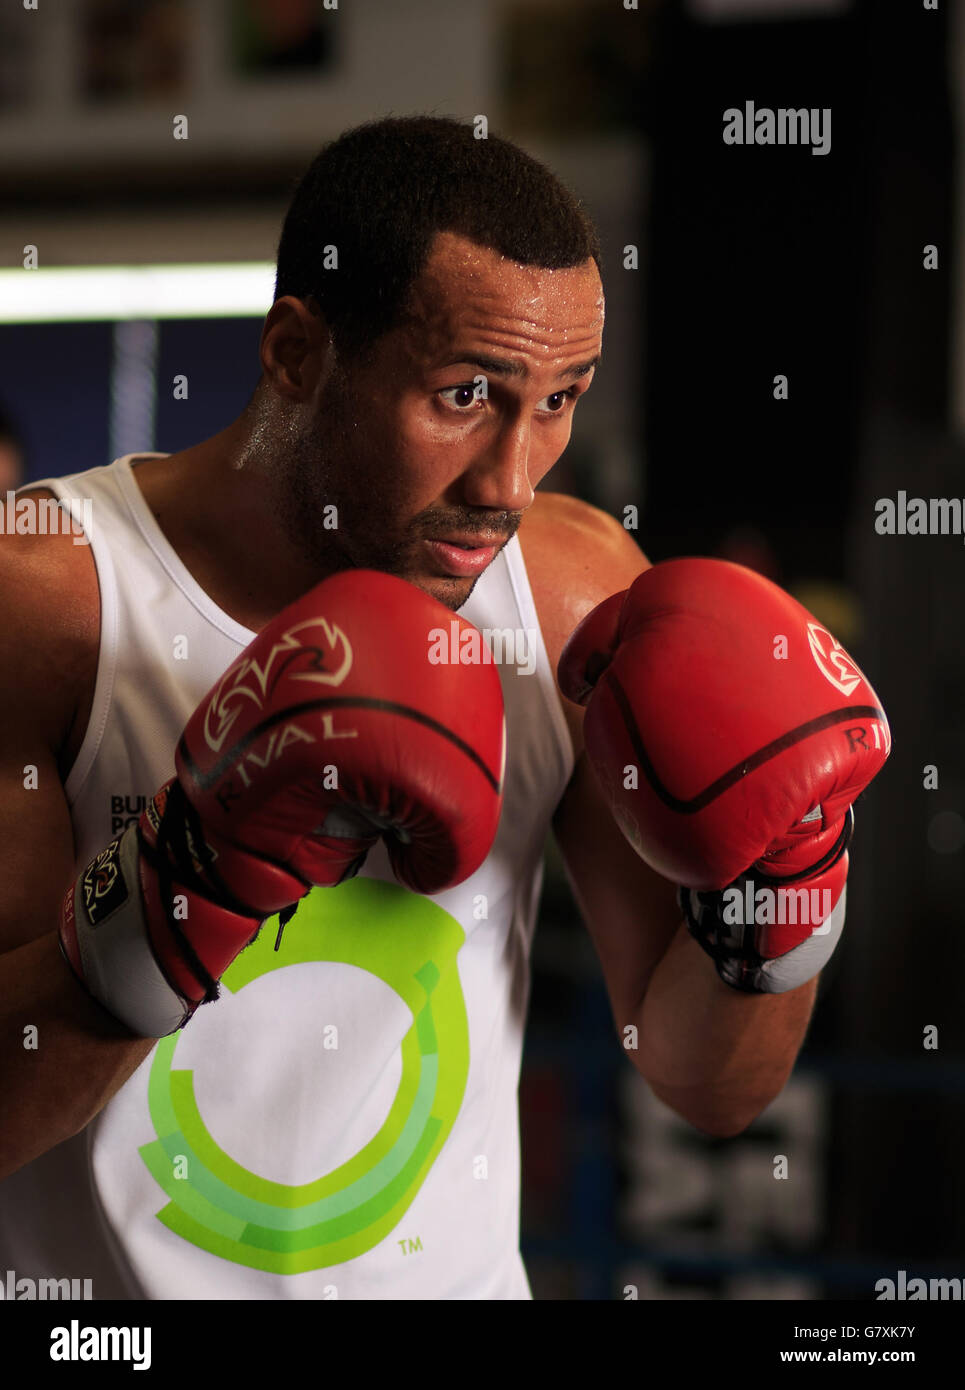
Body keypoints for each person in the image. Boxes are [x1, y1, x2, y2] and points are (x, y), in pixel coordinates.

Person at [0, 115, 887, 1301]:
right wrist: (188, 878)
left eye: (560, 400)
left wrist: (782, 886)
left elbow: (707, 1085)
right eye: (464, 394)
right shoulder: (51, 600)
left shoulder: (569, 597)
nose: (510, 483)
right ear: (296, 354)